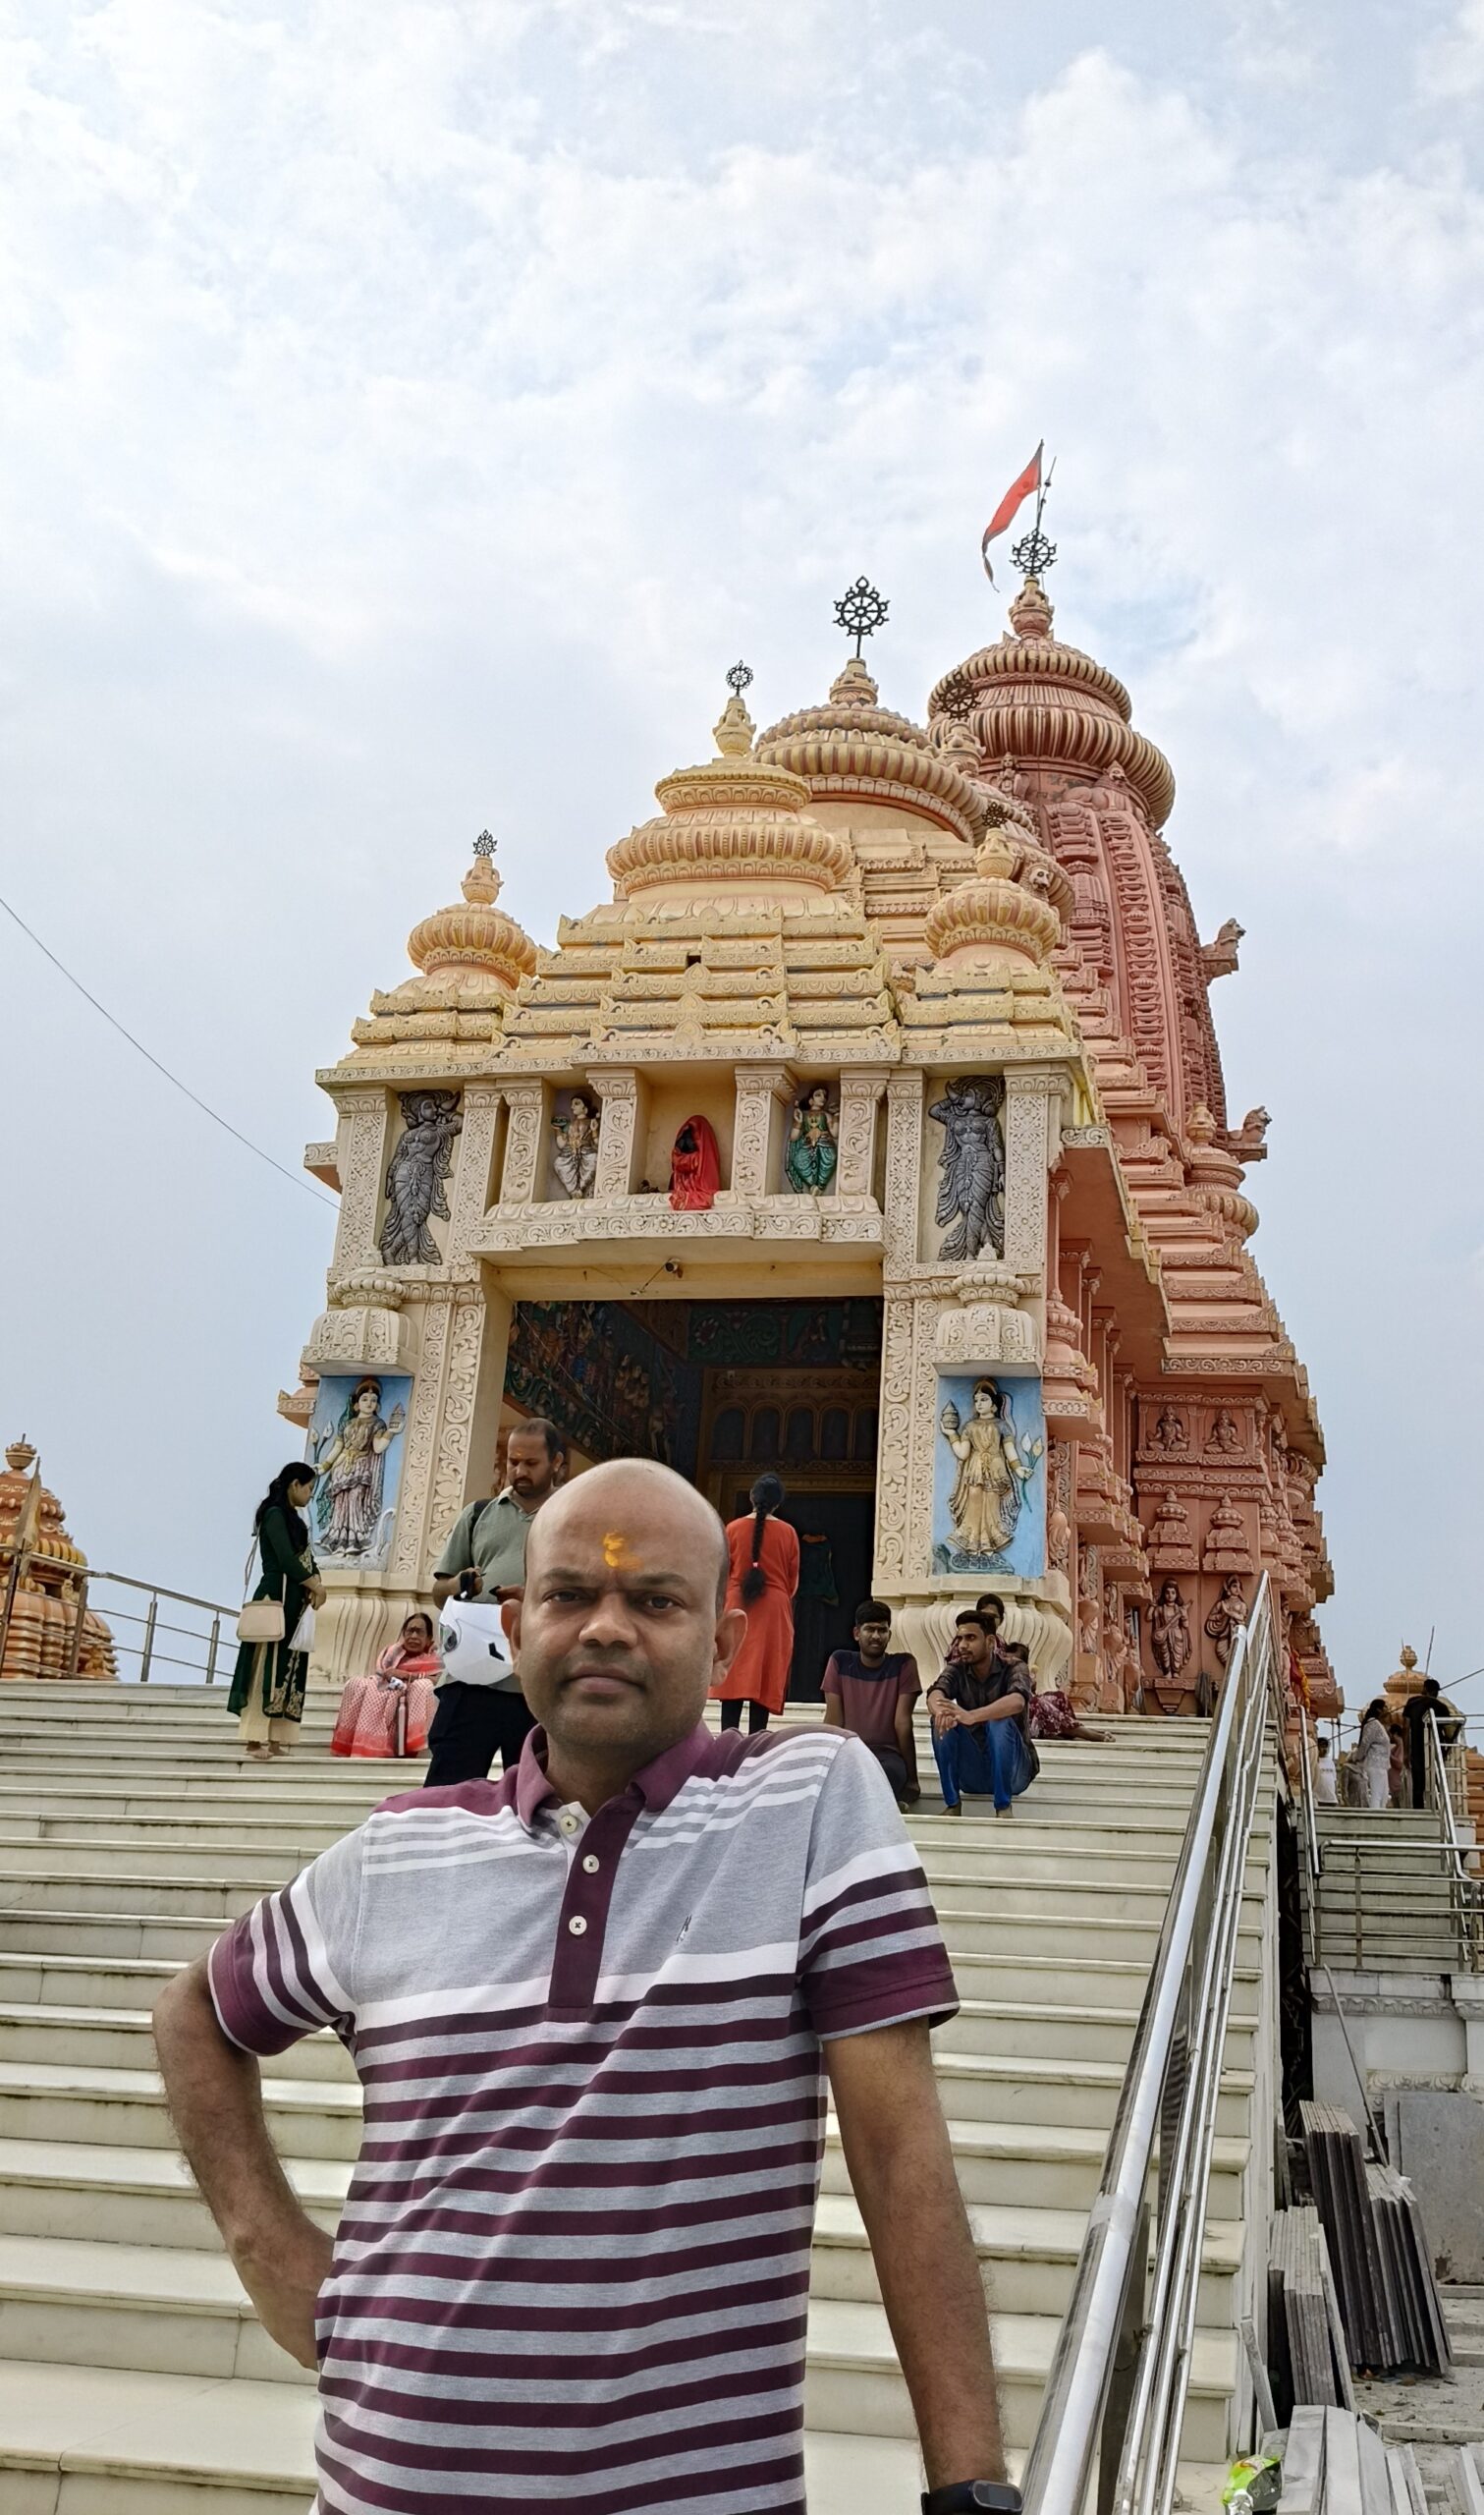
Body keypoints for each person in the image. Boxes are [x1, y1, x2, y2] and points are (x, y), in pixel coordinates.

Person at [152, 1458, 1010, 2514]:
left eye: (654, 1600)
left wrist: (968, 2487)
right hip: (383, 2480)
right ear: (515, 1630)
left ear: (725, 1645)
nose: (606, 1626)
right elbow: (193, 2011)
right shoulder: (395, 1849)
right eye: (569, 1595)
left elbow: (898, 2149)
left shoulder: (805, 1801)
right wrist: (271, 2250)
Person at [424, 1418, 567, 1786]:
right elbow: (439, 1591)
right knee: (447, 1792)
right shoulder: (477, 1514)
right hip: (469, 1678)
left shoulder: (576, 1519)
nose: (519, 1471)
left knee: (538, 1797)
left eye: (531, 1463)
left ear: (556, 1463)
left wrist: (532, 1599)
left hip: (538, 1684)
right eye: (513, 1461)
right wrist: (461, 1582)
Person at [228, 1465, 324, 1762]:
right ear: (295, 1484)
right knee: (265, 1665)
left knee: (288, 1665)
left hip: (294, 1599)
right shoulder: (274, 1515)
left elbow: (306, 1557)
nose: (310, 1495)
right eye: (309, 1488)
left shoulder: (294, 1518)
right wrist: (314, 1585)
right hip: (276, 1595)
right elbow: (284, 1558)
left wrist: (316, 1583)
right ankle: (254, 1738)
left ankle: (277, 1737)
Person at [927, 1608, 1038, 1818]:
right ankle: (952, 1804)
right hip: (973, 1772)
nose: (962, 1645)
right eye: (959, 1639)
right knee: (941, 1719)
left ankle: (1003, 1808)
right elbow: (935, 1693)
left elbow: (1017, 1701)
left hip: (1015, 1773)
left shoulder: (1014, 1666)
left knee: (999, 1722)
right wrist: (942, 1711)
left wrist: (972, 1716)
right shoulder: (957, 1668)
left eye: (970, 1638)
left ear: (990, 1641)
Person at [712, 1469, 799, 1735]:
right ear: (778, 1502)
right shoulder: (788, 1532)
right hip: (774, 1610)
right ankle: (757, 1744)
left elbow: (721, 1573)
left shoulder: (732, 1528)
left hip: (736, 1604)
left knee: (733, 1673)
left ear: (752, 1496)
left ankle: (728, 1741)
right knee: (764, 1677)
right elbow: (792, 1581)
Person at [822, 1599, 921, 1807]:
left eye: (882, 1630)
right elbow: (833, 1722)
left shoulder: (904, 1664)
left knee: (885, 1773)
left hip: (888, 1757)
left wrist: (912, 1779)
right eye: (870, 1629)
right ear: (857, 1633)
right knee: (846, 1775)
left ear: (889, 1635)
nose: (876, 1636)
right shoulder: (839, 1661)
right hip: (850, 1752)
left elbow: (902, 1724)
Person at [329, 1611, 440, 1760]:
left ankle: (408, 1743)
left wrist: (408, 1676)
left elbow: (438, 1681)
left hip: (411, 1694)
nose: (413, 1636)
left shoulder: (435, 1659)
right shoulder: (391, 1653)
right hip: (387, 1688)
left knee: (423, 1685)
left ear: (428, 1638)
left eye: (419, 1632)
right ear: (403, 1634)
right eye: (410, 1631)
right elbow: (382, 1674)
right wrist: (393, 1676)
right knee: (358, 1683)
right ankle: (365, 1743)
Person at [1402, 1675, 1464, 1811]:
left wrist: (1405, 1751)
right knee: (1436, 1778)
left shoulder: (1412, 1703)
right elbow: (1448, 1731)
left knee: (1418, 1781)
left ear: (1425, 1688)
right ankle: (1438, 1807)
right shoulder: (1441, 1706)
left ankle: (1418, 1809)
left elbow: (1406, 1728)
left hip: (1416, 1747)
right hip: (1435, 1747)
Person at [1356, 1697, 1393, 1811]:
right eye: (1385, 1707)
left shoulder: (1378, 1724)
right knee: (1377, 1795)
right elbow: (1365, 1743)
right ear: (1379, 1709)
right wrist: (1358, 1757)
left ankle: (1381, 1815)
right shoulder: (1372, 1723)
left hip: (1382, 1765)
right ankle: (1375, 1815)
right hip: (1375, 1763)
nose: (1387, 1709)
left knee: (1384, 1795)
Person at [1314, 1734, 1338, 1805]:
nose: (1325, 1749)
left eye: (1326, 1747)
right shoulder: (1315, 1761)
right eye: (1322, 1746)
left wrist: (1336, 1795)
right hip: (1318, 1799)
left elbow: (1334, 1780)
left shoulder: (1331, 1762)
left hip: (1332, 1799)